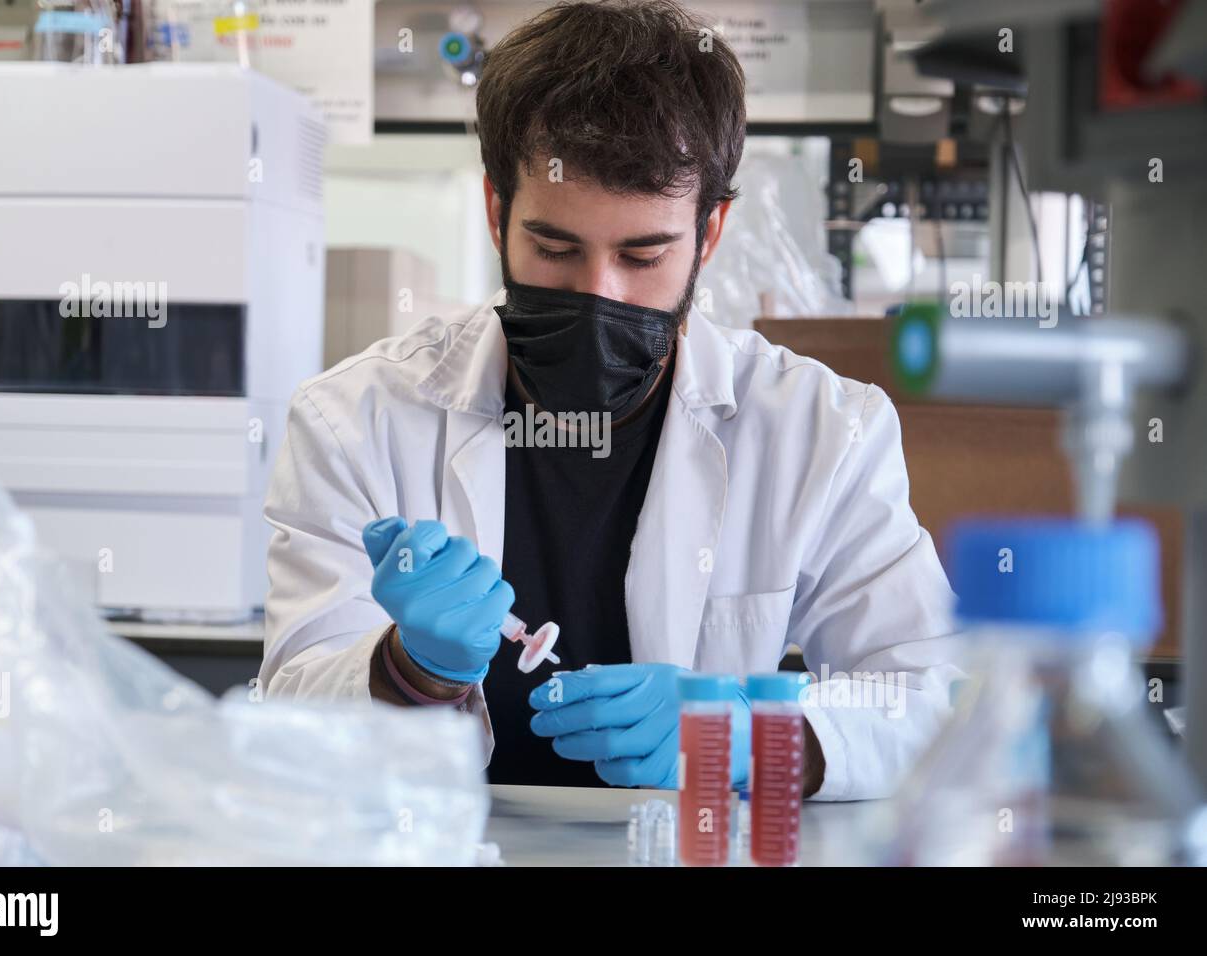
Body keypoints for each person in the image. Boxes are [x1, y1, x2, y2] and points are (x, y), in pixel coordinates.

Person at [258, 0, 963, 800]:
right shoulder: (357, 419)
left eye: (643, 254)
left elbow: (934, 699)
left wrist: (752, 737)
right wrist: (405, 669)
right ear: (498, 213)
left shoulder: (818, 430)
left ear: (710, 233)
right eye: (555, 249)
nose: (600, 294)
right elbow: (287, 722)